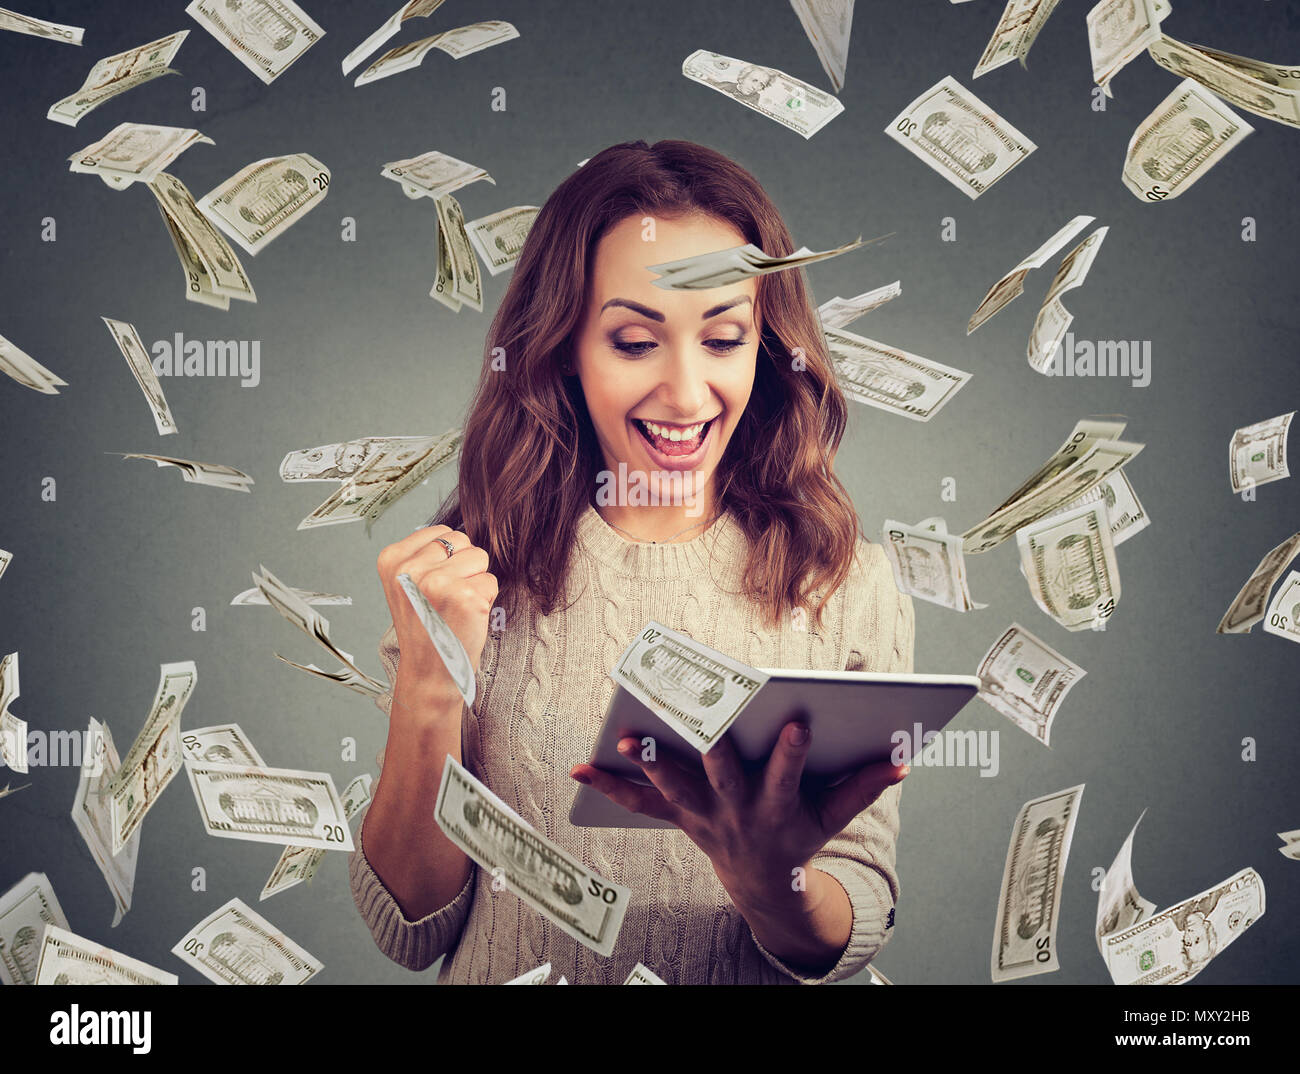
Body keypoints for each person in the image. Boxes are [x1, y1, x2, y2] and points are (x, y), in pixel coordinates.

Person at [350, 139, 915, 985]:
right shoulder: (474, 573)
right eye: (634, 342)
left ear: (764, 349)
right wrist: (430, 686)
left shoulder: (845, 582)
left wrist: (774, 888)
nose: (687, 395)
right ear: (564, 349)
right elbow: (412, 928)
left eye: (723, 338)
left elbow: (854, 916)